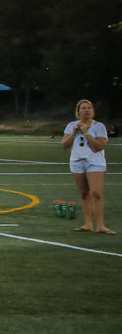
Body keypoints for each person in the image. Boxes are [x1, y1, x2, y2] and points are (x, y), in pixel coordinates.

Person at [62, 99, 110, 234]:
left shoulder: (98, 126)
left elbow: (100, 146)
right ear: (78, 111)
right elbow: (64, 146)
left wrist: (86, 133)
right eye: (83, 108)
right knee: (84, 194)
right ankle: (88, 224)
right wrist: (74, 133)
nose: (86, 110)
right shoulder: (71, 125)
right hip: (77, 162)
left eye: (89, 108)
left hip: (95, 162)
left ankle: (100, 225)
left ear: (93, 111)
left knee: (96, 193)